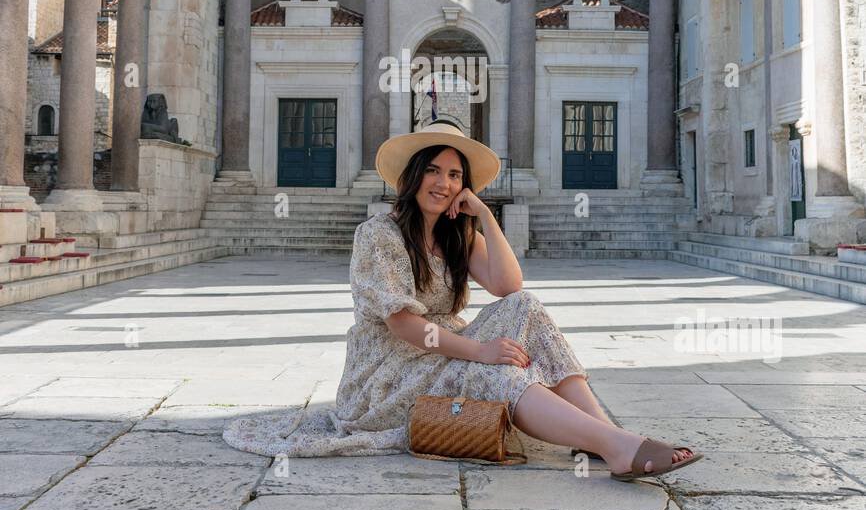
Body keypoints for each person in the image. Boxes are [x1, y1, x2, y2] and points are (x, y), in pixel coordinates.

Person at [223, 121, 702, 480]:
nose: (443, 182)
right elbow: (403, 325)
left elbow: (509, 287)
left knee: (527, 306)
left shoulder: (458, 235)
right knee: (496, 371)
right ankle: (616, 446)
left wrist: (484, 216)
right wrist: (480, 350)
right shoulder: (379, 235)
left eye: (455, 175)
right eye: (433, 170)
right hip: (387, 373)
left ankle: (602, 435)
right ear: (412, 176)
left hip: (441, 352)